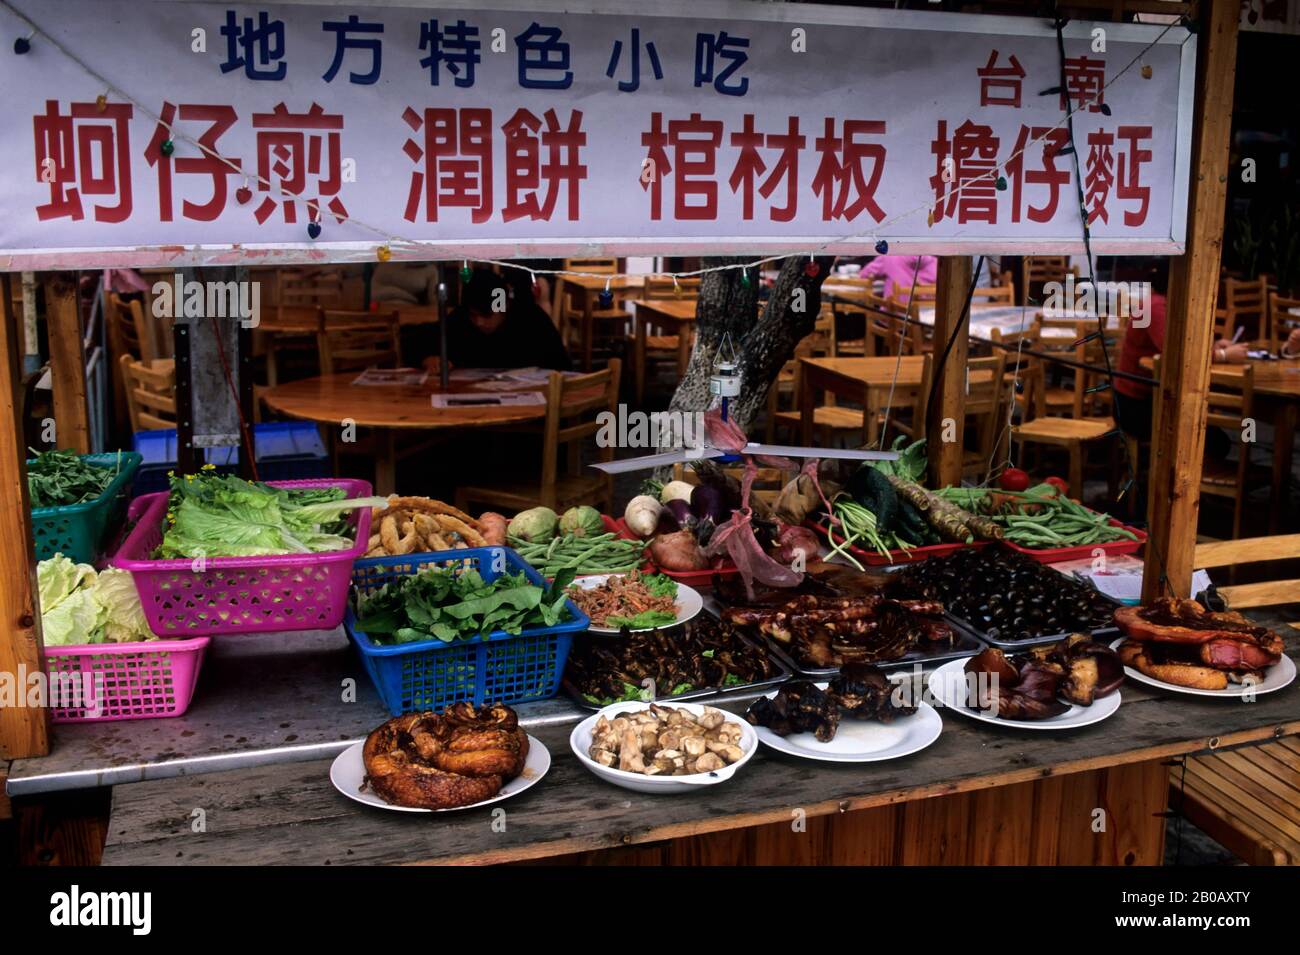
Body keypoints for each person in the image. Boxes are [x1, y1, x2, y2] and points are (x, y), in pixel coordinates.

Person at [1114, 259, 1240, 458]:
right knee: (1215, 441)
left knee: (1212, 436)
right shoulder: (1155, 307)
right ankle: (1180, 474)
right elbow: (1176, 351)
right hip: (1135, 407)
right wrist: (1223, 355)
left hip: (1144, 399)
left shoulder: (1160, 303)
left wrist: (1213, 347)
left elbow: (1182, 343)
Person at [426, 268, 571, 372]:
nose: (479, 322)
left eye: (487, 315)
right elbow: (421, 340)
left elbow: (561, 366)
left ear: (505, 306)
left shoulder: (532, 321)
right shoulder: (462, 318)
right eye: (474, 315)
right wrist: (428, 359)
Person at [859, 254, 937, 304]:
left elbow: (864, 274)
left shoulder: (889, 257)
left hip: (892, 319)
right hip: (925, 321)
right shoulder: (937, 264)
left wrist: (882, 276)